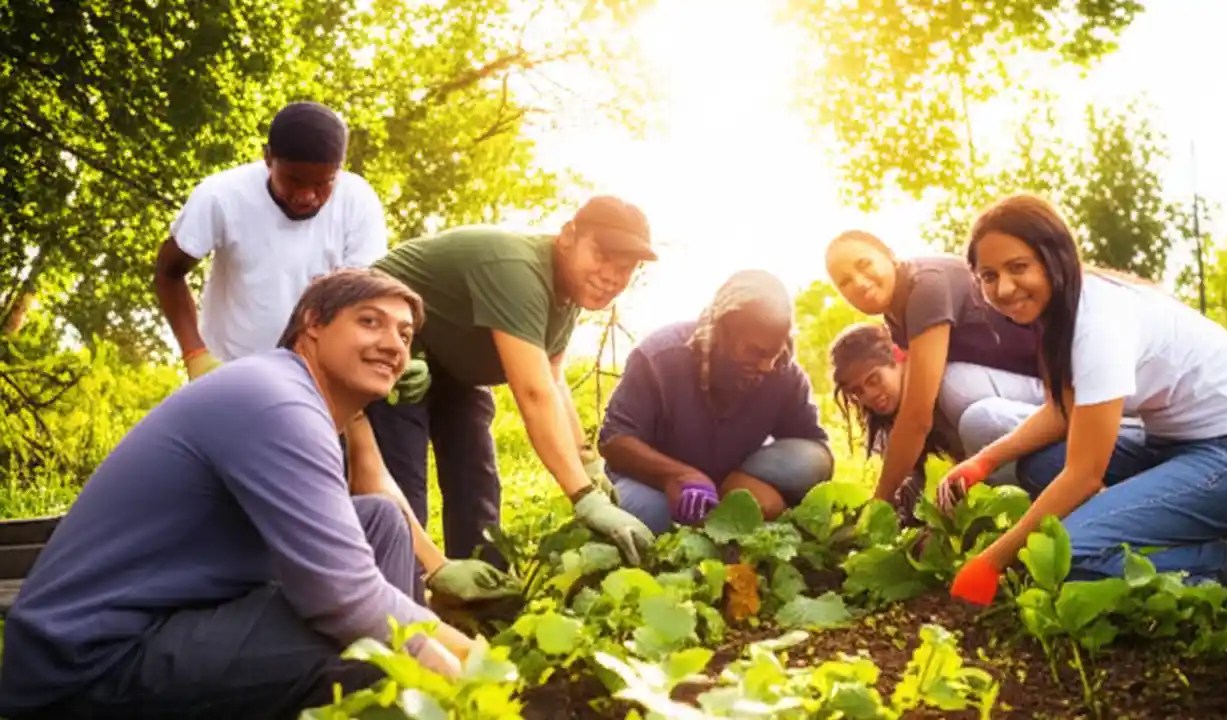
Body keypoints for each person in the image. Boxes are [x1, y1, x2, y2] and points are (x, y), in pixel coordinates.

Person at [0, 269, 475, 720]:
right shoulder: (278, 405)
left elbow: (351, 563)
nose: (393, 344)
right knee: (366, 639)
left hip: (169, 615)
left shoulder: (286, 393)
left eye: (406, 334)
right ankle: (380, 691)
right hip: (90, 663)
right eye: (370, 321)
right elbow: (346, 596)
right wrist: (473, 663)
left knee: (380, 524)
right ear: (312, 323)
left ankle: (378, 700)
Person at [947, 193, 1227, 606]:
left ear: (1055, 257)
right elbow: (1063, 412)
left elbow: (1085, 474)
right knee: (1040, 466)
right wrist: (986, 461)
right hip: (1178, 447)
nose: (1004, 287)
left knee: (1070, 559)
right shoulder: (1063, 311)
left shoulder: (1097, 320)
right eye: (988, 275)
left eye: (1018, 267)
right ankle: (1192, 527)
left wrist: (993, 561)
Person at [367, 196, 657, 566]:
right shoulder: (519, 270)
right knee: (405, 485)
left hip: (455, 364)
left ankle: (483, 595)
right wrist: (583, 496)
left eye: (625, 268)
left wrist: (588, 463)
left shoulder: (567, 293)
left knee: (477, 482)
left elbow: (553, 379)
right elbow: (533, 393)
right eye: (601, 256)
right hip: (392, 353)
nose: (611, 276)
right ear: (568, 236)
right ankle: (397, 598)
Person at [155, 100, 388, 380]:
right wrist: (195, 355)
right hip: (230, 375)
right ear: (268, 158)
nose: (306, 195)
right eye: (294, 179)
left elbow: (364, 302)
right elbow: (169, 272)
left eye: (322, 183)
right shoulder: (221, 196)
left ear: (339, 168)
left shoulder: (358, 202)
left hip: (318, 380)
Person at [824, 231, 1043, 514]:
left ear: (888, 254)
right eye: (845, 282)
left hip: (1050, 385)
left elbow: (917, 417)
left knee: (954, 390)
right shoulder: (896, 316)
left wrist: (879, 504)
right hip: (1013, 398)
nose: (859, 283)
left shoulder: (927, 285)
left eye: (864, 265)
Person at [599, 270, 833, 531]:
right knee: (649, 517)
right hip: (656, 481)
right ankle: (704, 519)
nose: (767, 366)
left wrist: (755, 489)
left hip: (733, 473)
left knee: (813, 461)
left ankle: (727, 500)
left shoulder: (783, 371)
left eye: (774, 354)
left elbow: (812, 445)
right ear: (723, 331)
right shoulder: (660, 358)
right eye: (755, 352)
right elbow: (613, 440)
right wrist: (677, 476)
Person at [829, 321, 1045, 522]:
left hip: (1053, 442)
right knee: (913, 492)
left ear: (897, 356)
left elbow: (994, 436)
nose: (869, 395)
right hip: (1008, 469)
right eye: (858, 392)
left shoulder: (953, 387)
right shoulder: (894, 420)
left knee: (977, 422)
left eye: (874, 380)